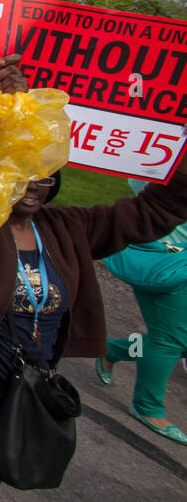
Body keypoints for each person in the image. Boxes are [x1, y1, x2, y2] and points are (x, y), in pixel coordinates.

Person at [0, 157, 187, 502]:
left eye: (44, 177)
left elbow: (153, 210)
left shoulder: (69, 229)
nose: (32, 185)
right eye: (20, 174)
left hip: (26, 376)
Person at [98, 189, 187, 445]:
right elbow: (142, 178)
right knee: (169, 340)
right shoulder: (172, 157)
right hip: (167, 257)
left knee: (179, 341)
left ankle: (113, 350)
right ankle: (148, 407)